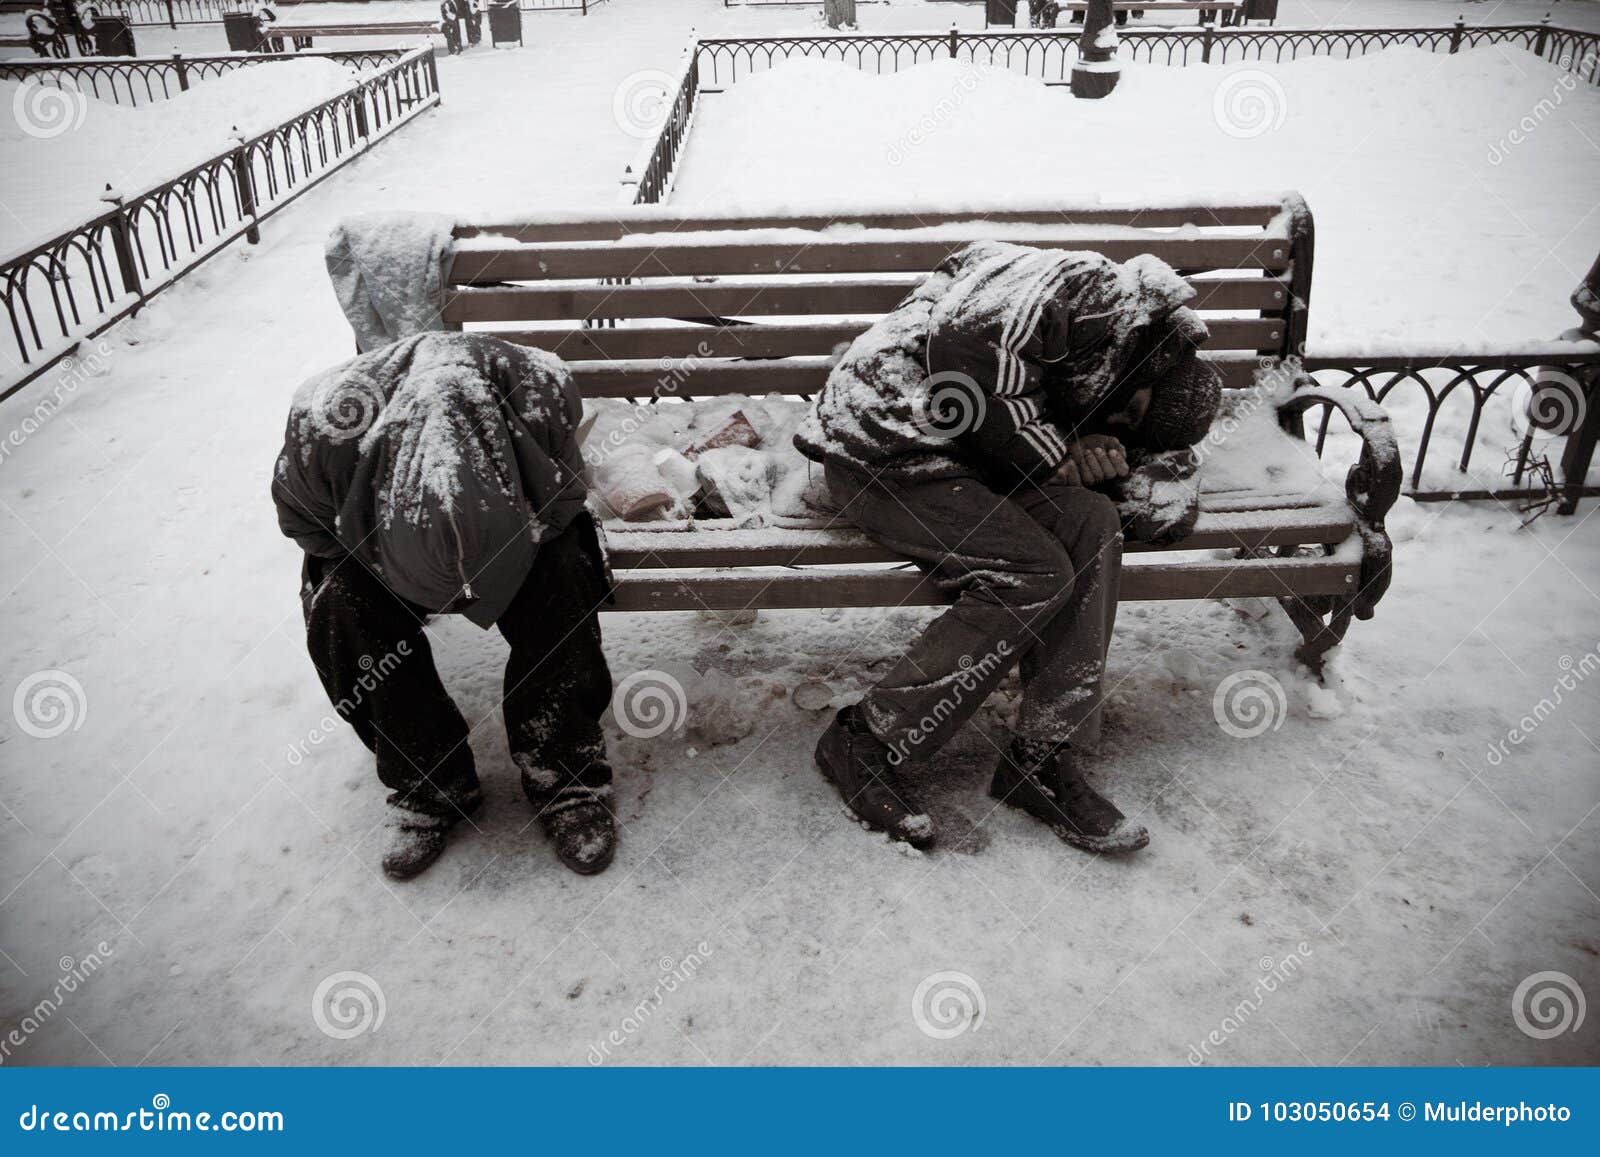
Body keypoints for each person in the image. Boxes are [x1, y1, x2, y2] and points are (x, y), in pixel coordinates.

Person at [794, 242, 1222, 855]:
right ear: (1157, 364)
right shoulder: (1092, 288)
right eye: (1132, 409)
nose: (1119, 417)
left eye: (1131, 426)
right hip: (886, 448)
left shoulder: (1117, 369)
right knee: (1032, 572)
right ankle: (866, 738)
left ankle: (1040, 756)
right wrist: (1056, 453)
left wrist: (1106, 462)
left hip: (972, 463)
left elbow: (1150, 499)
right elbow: (964, 348)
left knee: (1092, 522)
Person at [271, 332, 618, 880]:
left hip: (521, 512)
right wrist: (371, 561)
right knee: (340, 602)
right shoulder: (323, 429)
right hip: (367, 532)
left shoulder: (537, 392)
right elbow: (307, 529)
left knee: (566, 572)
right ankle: (428, 780)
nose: (462, 603)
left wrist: (521, 548)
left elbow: (566, 496)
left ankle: (565, 770)